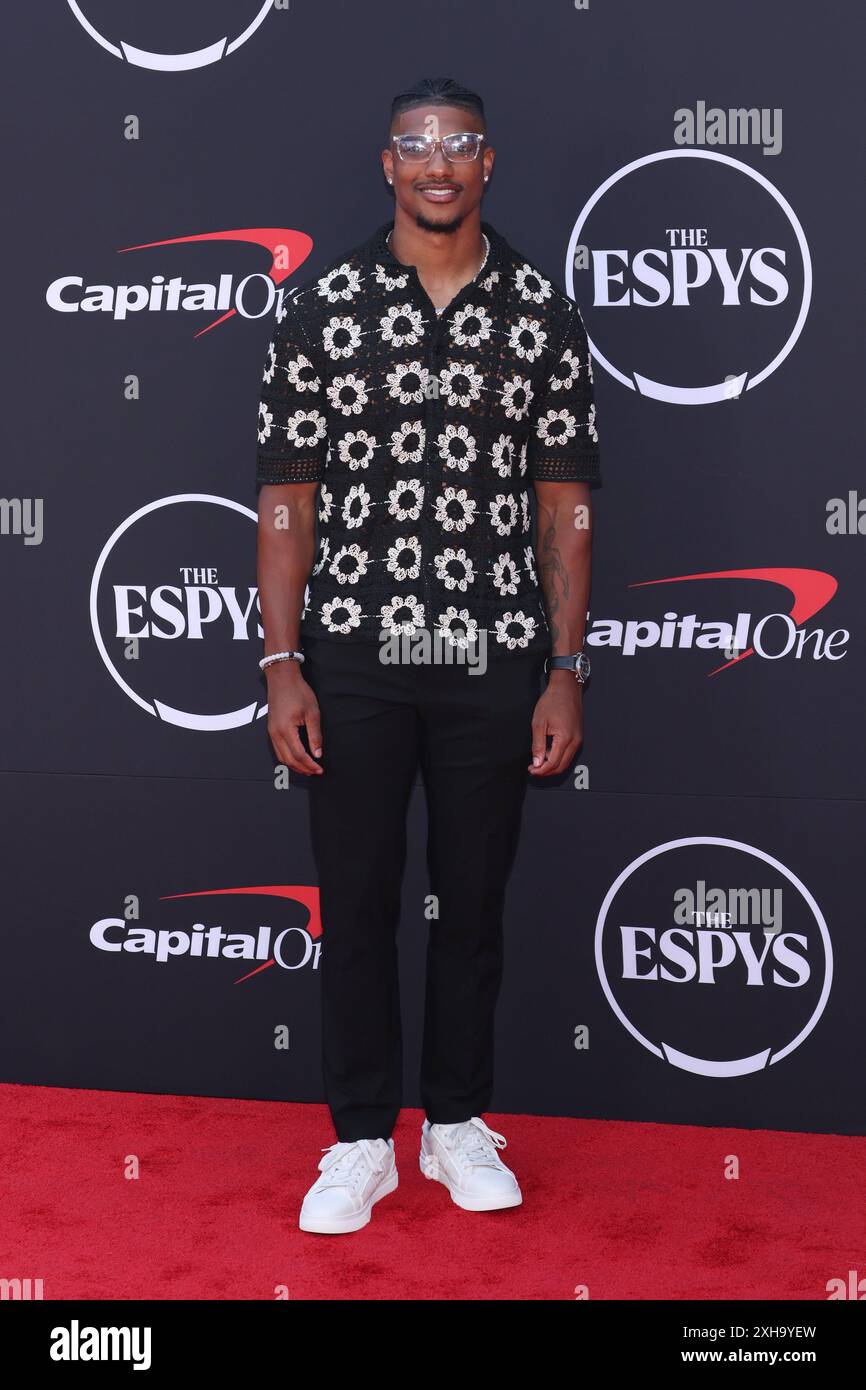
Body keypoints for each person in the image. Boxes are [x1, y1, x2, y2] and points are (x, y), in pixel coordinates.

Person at [255, 76, 600, 1234]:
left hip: (494, 650)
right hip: (351, 652)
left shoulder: (542, 314)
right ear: (387, 165)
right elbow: (286, 504)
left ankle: (453, 1123)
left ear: (488, 163)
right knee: (354, 901)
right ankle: (360, 1139)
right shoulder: (323, 308)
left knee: (472, 905)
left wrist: (564, 666)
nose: (438, 164)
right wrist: (280, 661)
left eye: (458, 145)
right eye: (416, 146)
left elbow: (564, 510)